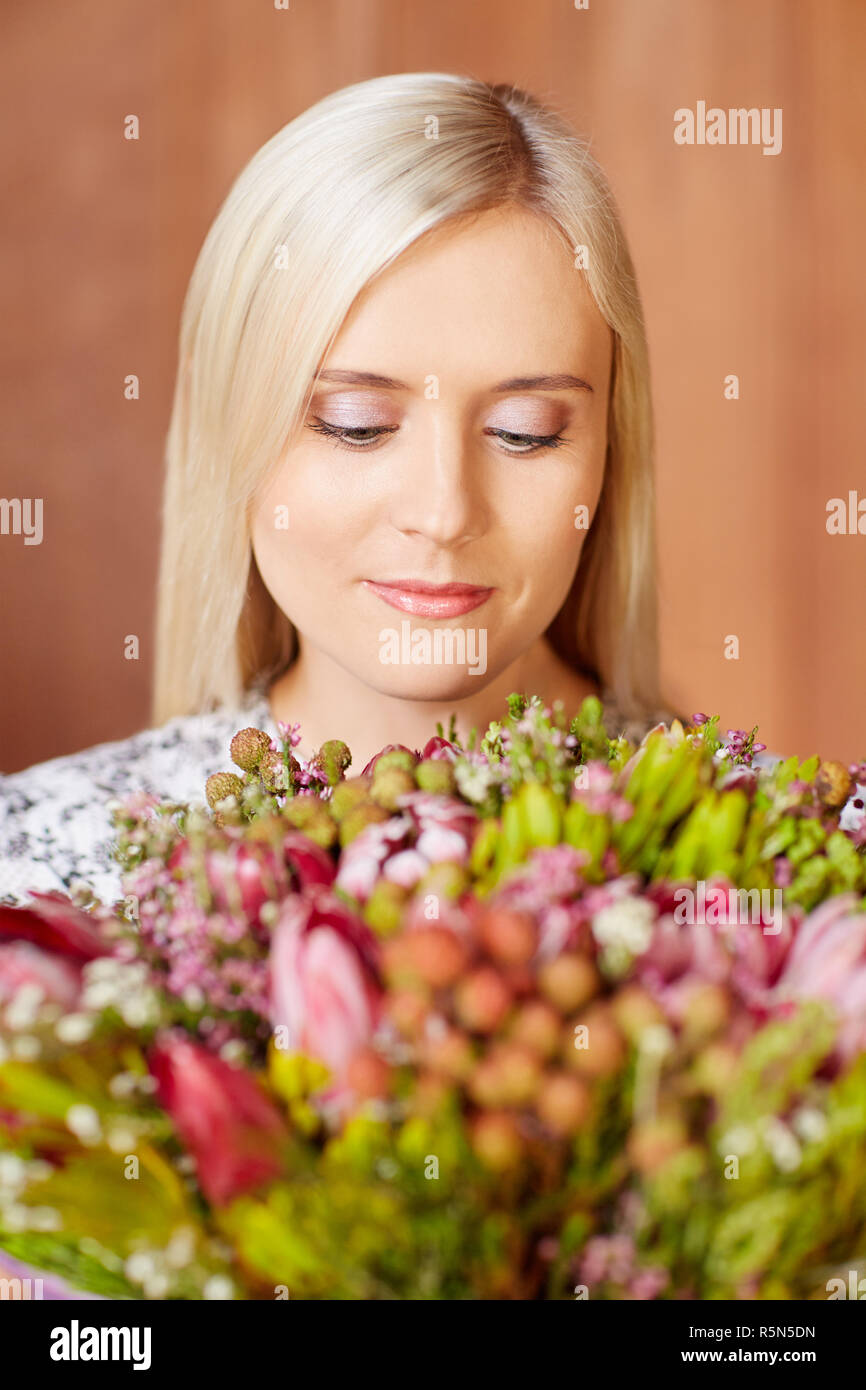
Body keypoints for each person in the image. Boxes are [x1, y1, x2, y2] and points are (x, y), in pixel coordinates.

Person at [0, 72, 679, 908]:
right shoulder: (34, 879)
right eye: (356, 424)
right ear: (230, 438)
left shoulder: (781, 862)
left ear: (609, 447)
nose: (443, 513)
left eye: (523, 431)